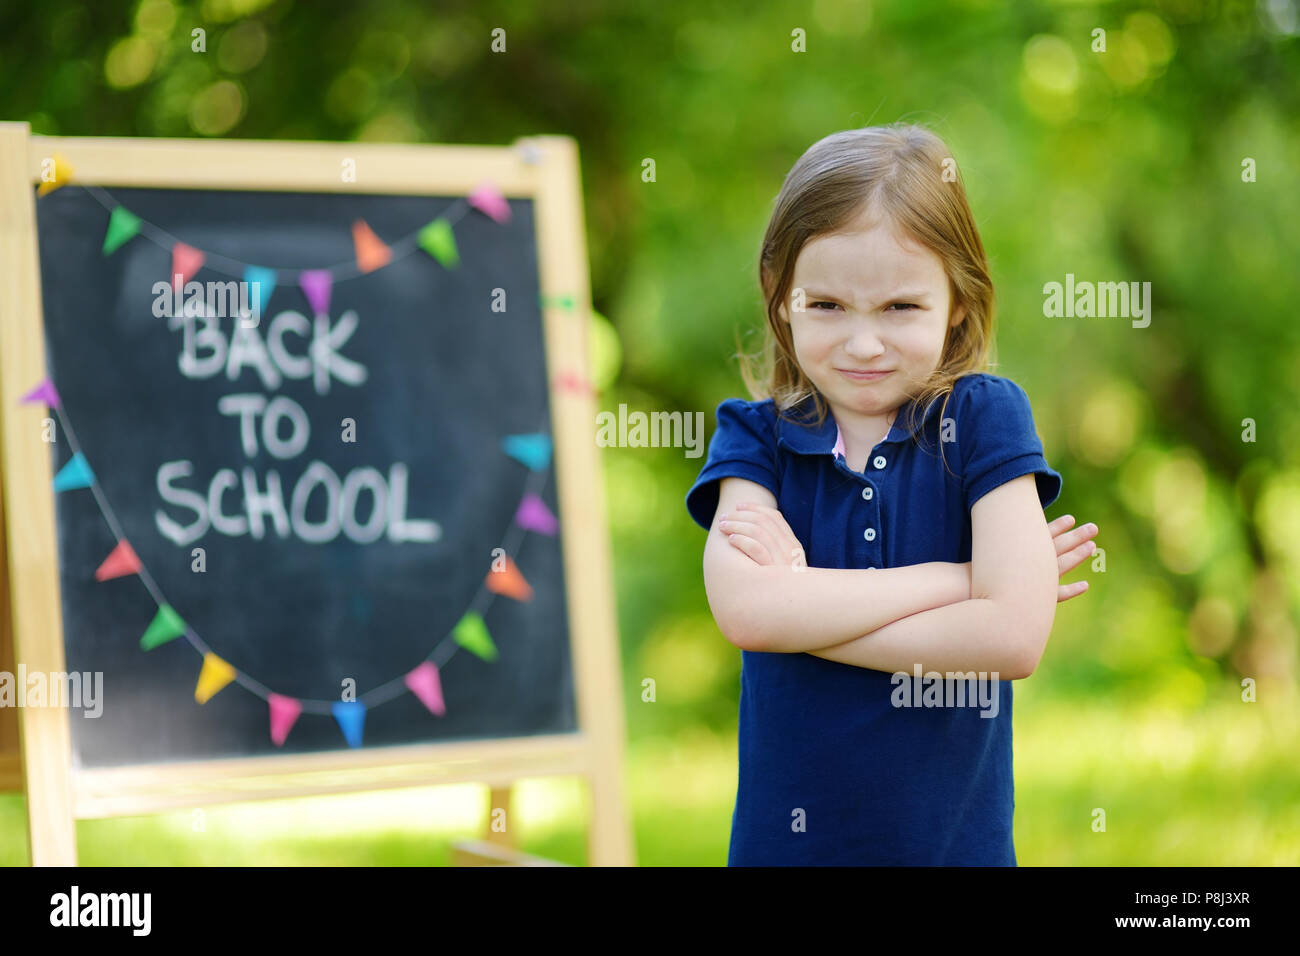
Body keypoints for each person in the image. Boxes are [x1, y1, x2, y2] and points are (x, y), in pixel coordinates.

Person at [684, 123, 1100, 866]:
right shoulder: (751, 438)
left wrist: (804, 609)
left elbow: (1009, 639)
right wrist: (962, 582)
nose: (864, 344)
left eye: (901, 308)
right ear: (782, 299)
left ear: (959, 304)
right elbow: (748, 611)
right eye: (828, 307)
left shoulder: (984, 419)